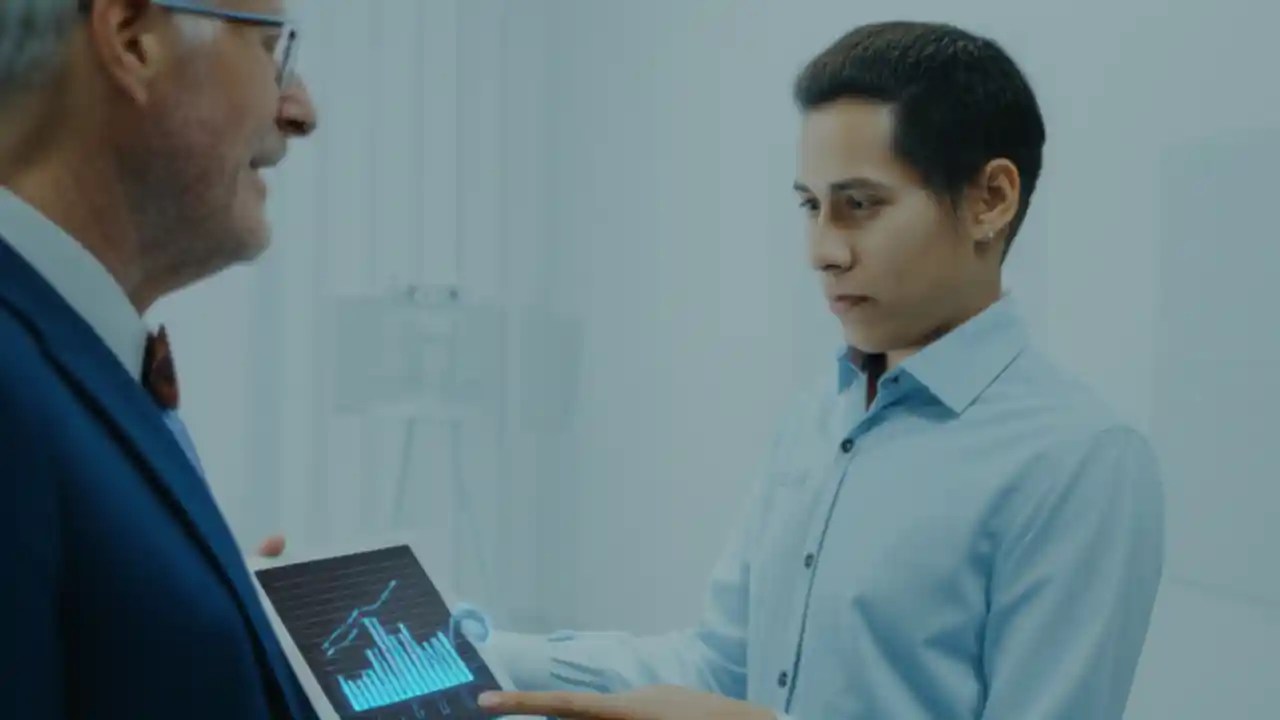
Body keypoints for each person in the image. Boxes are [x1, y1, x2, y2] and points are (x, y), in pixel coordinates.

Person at [471, 21, 1165, 720]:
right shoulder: (821, 416)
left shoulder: (1080, 462)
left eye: (859, 205)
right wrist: (490, 651)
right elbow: (721, 666)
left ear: (990, 199)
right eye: (810, 206)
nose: (822, 251)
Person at [1, 0, 317, 717]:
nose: (300, 110)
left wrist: (226, 620)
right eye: (272, 54)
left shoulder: (65, 363)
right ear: (133, 40)